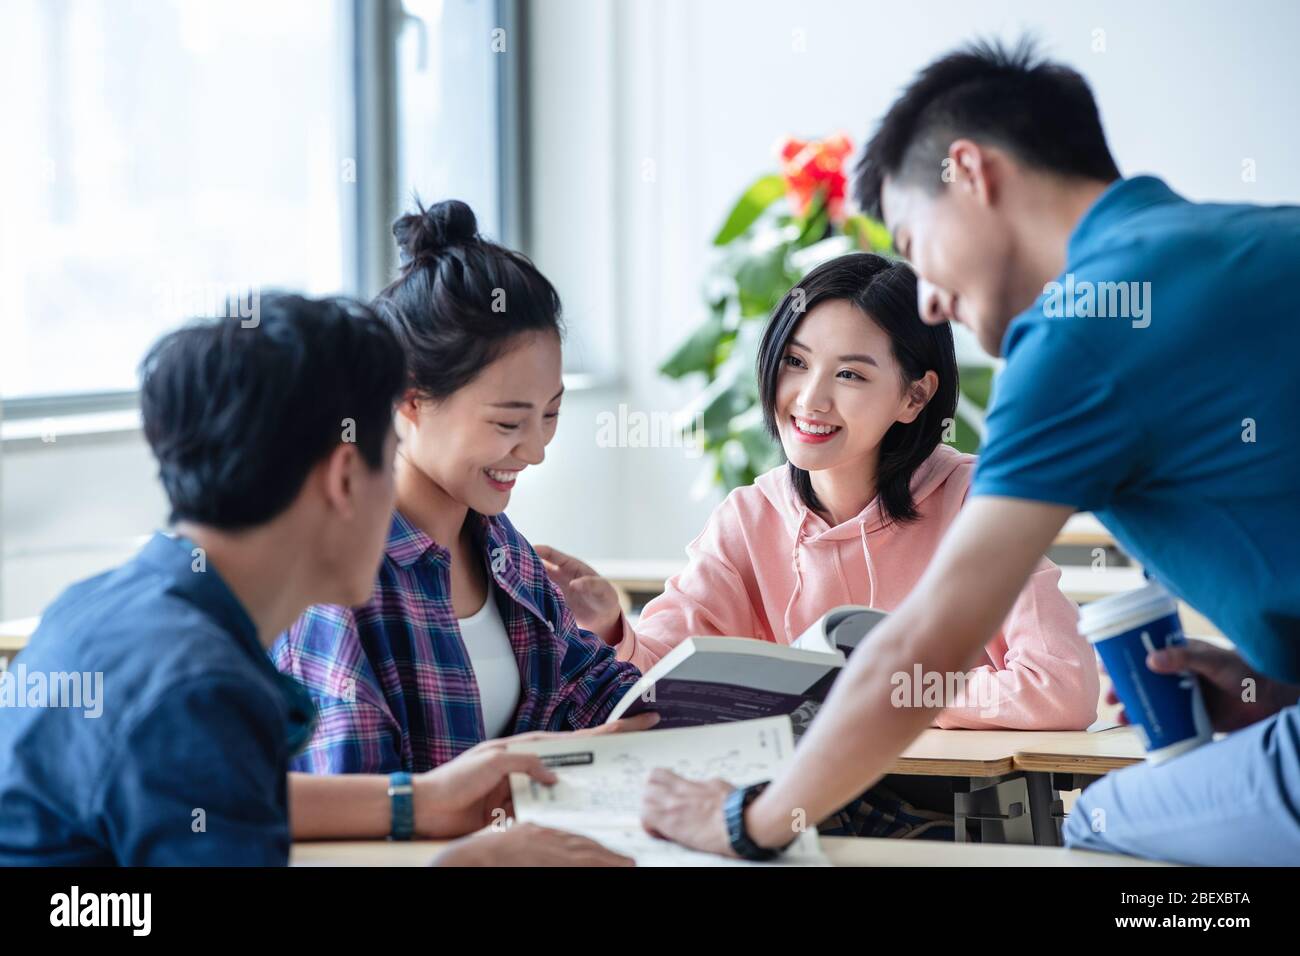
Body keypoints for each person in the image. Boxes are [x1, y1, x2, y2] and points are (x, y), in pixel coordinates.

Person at [639, 38, 1300, 866]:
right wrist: (1269, 686)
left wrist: (750, 821)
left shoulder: (1074, 334)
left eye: (914, 244)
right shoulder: (1250, 241)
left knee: (1100, 823)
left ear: (972, 174)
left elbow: (930, 643)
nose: (927, 297)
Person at [0, 293, 633, 866]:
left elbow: (226, 795)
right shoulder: (198, 688)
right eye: (390, 461)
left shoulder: (107, 607)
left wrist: (419, 801)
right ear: (343, 478)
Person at [540, 253, 1096, 733]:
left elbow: (1062, 685)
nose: (811, 399)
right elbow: (666, 679)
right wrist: (613, 626)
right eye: (796, 363)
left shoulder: (977, 502)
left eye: (850, 375)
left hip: (953, 813)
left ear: (914, 397)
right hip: (801, 808)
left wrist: (883, 694)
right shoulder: (748, 520)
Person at [274, 200, 643, 777]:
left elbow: (593, 693)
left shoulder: (504, 550)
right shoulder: (339, 585)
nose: (536, 449)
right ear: (409, 399)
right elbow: (361, 808)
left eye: (550, 414)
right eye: (507, 422)